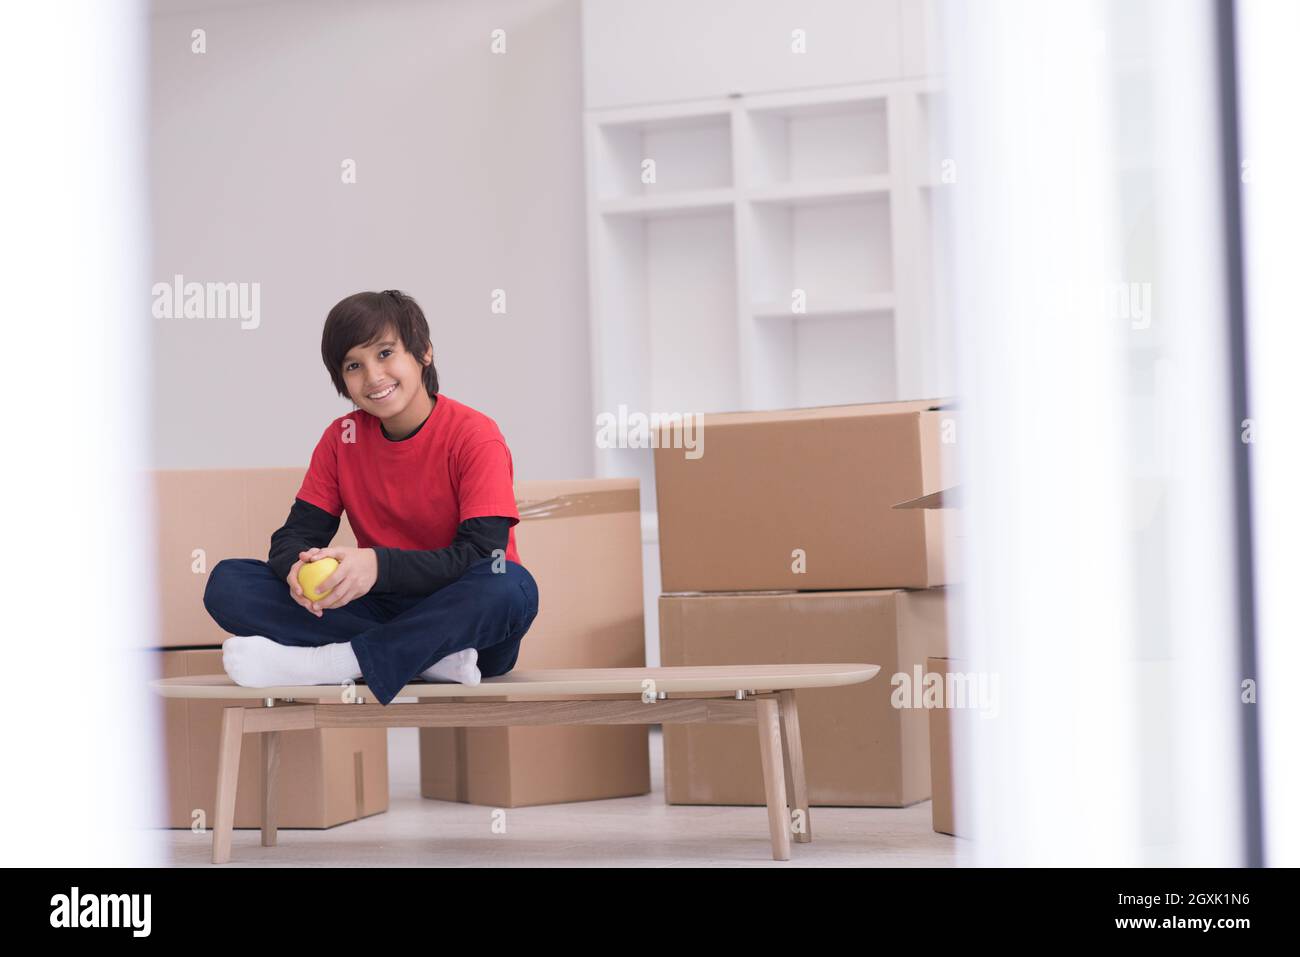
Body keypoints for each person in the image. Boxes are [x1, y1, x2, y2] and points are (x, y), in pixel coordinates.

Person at [202, 289, 538, 707]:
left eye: (384, 353)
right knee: (229, 583)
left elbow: (485, 555)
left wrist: (377, 565)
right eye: (354, 365)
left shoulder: (474, 435)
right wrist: (293, 569)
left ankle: (335, 663)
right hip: (383, 611)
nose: (373, 376)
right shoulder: (342, 439)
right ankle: (426, 660)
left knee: (511, 586)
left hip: (464, 619)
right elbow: (294, 536)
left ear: (424, 353)